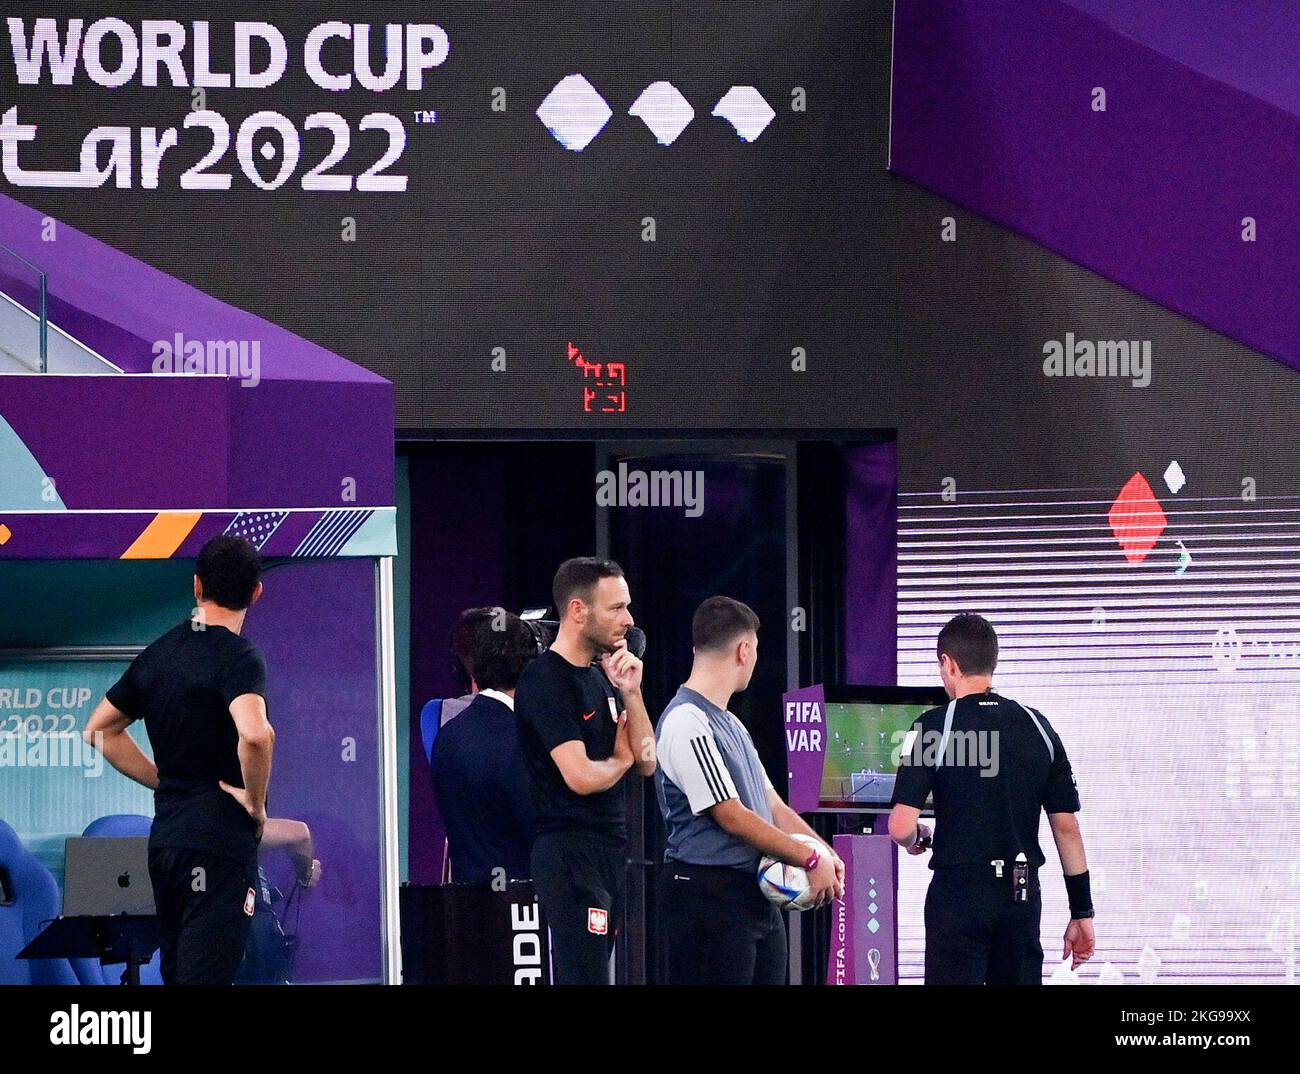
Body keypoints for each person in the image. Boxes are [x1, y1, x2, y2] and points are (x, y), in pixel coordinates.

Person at [83, 534, 274, 985]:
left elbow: (99, 729)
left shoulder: (160, 653)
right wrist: (255, 803)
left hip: (166, 845)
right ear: (256, 592)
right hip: (218, 845)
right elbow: (256, 735)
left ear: (196, 585)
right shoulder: (239, 656)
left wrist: (163, 780)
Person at [888, 612, 1096, 985]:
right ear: (992, 663)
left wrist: (916, 837)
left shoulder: (932, 726)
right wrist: (1082, 911)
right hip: (1020, 895)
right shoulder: (1039, 727)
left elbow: (900, 826)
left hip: (957, 896)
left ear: (949, 665)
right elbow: (1067, 829)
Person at [655, 596, 843, 984]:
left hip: (753, 895)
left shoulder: (733, 725)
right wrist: (808, 860)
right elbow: (731, 814)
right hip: (708, 895)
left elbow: (772, 803)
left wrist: (824, 851)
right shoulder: (685, 721)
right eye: (755, 650)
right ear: (744, 650)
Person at [514, 557, 656, 985]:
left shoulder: (602, 678)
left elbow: (647, 759)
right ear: (578, 611)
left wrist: (631, 692)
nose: (628, 620)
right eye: (616, 608)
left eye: (627, 606)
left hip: (610, 852)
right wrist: (619, 761)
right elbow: (580, 776)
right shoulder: (544, 680)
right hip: (569, 856)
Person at [430, 609, 538, 884]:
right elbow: (539, 831)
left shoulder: (447, 735)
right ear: (528, 668)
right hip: (523, 907)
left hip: (468, 906)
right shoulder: (522, 738)